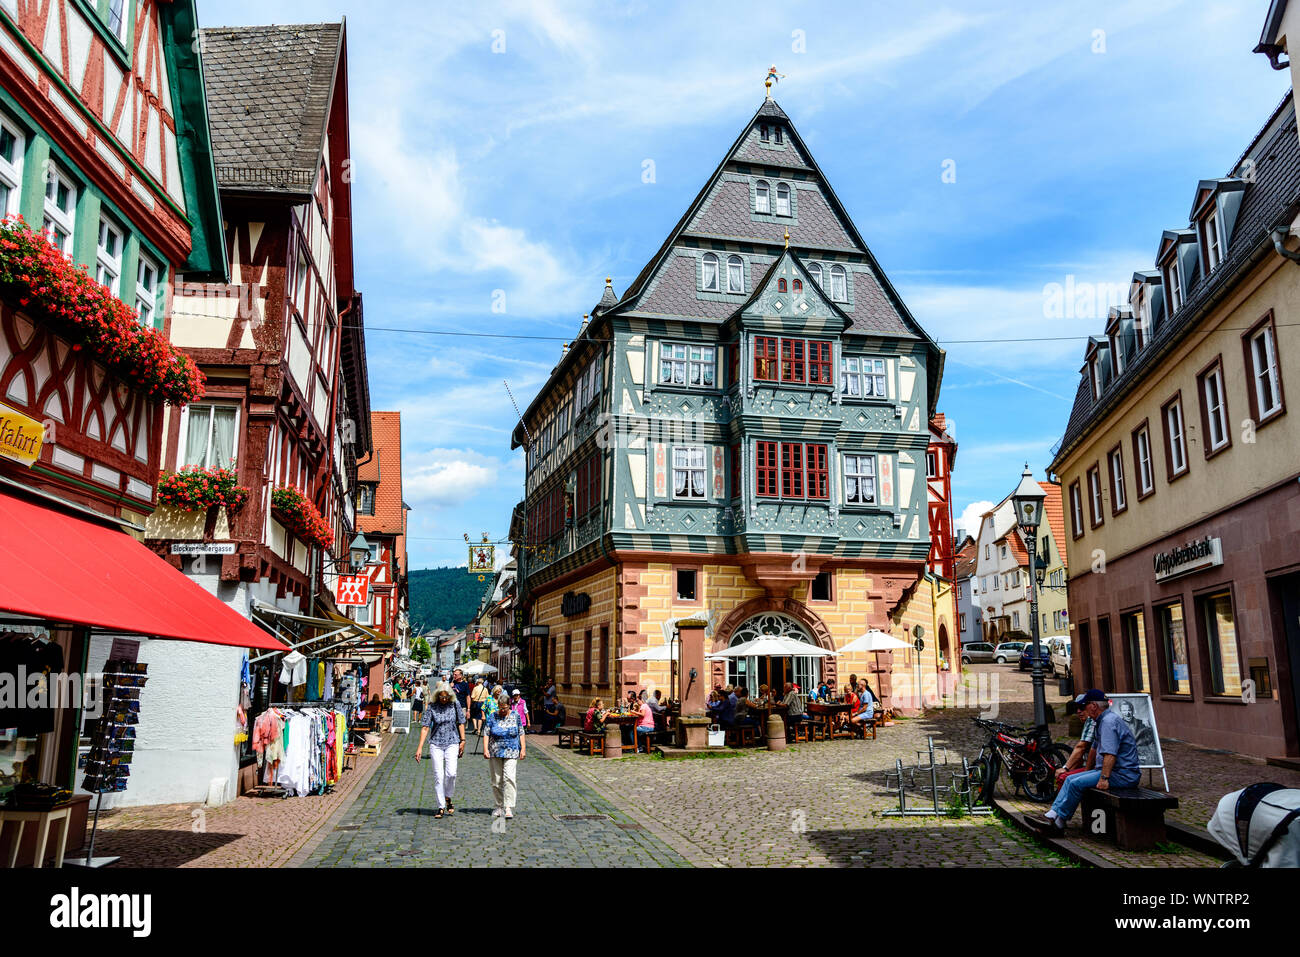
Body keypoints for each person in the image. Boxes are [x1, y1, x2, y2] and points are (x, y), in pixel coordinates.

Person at [1028, 690, 1140, 834]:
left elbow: (1110, 755)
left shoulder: (1108, 722)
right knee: (1070, 779)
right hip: (1113, 772)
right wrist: (1088, 772)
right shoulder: (1101, 721)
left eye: (1084, 706)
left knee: (1076, 783)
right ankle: (1053, 818)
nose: (1081, 710)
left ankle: (1057, 821)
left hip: (1123, 775)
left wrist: (1104, 778)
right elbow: (1094, 749)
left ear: (1093, 705)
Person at [414, 681, 465, 819]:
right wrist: (419, 748)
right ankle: (441, 806)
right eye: (442, 697)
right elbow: (425, 727)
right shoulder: (432, 706)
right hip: (436, 743)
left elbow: (461, 722)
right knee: (438, 775)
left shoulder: (455, 704)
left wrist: (463, 740)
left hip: (452, 742)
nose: (444, 699)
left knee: (451, 774)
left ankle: (448, 796)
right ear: (437, 696)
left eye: (446, 697)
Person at [483, 690, 525, 820]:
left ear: (509, 705)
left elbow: (521, 732)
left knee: (509, 777)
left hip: (512, 751)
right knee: (496, 780)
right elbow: (486, 733)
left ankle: (508, 807)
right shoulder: (492, 716)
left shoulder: (515, 715)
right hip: (495, 751)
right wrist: (485, 749)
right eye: (500, 708)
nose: (502, 710)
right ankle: (499, 805)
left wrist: (523, 749)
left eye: (505, 708)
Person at [1117, 699, 1157, 764]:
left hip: (1141, 756)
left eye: (1129, 710)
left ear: (1132, 711)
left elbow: (1150, 741)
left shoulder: (1142, 723)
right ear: (1121, 711)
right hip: (1124, 757)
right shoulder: (1117, 725)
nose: (1127, 713)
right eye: (1124, 710)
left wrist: (1149, 728)